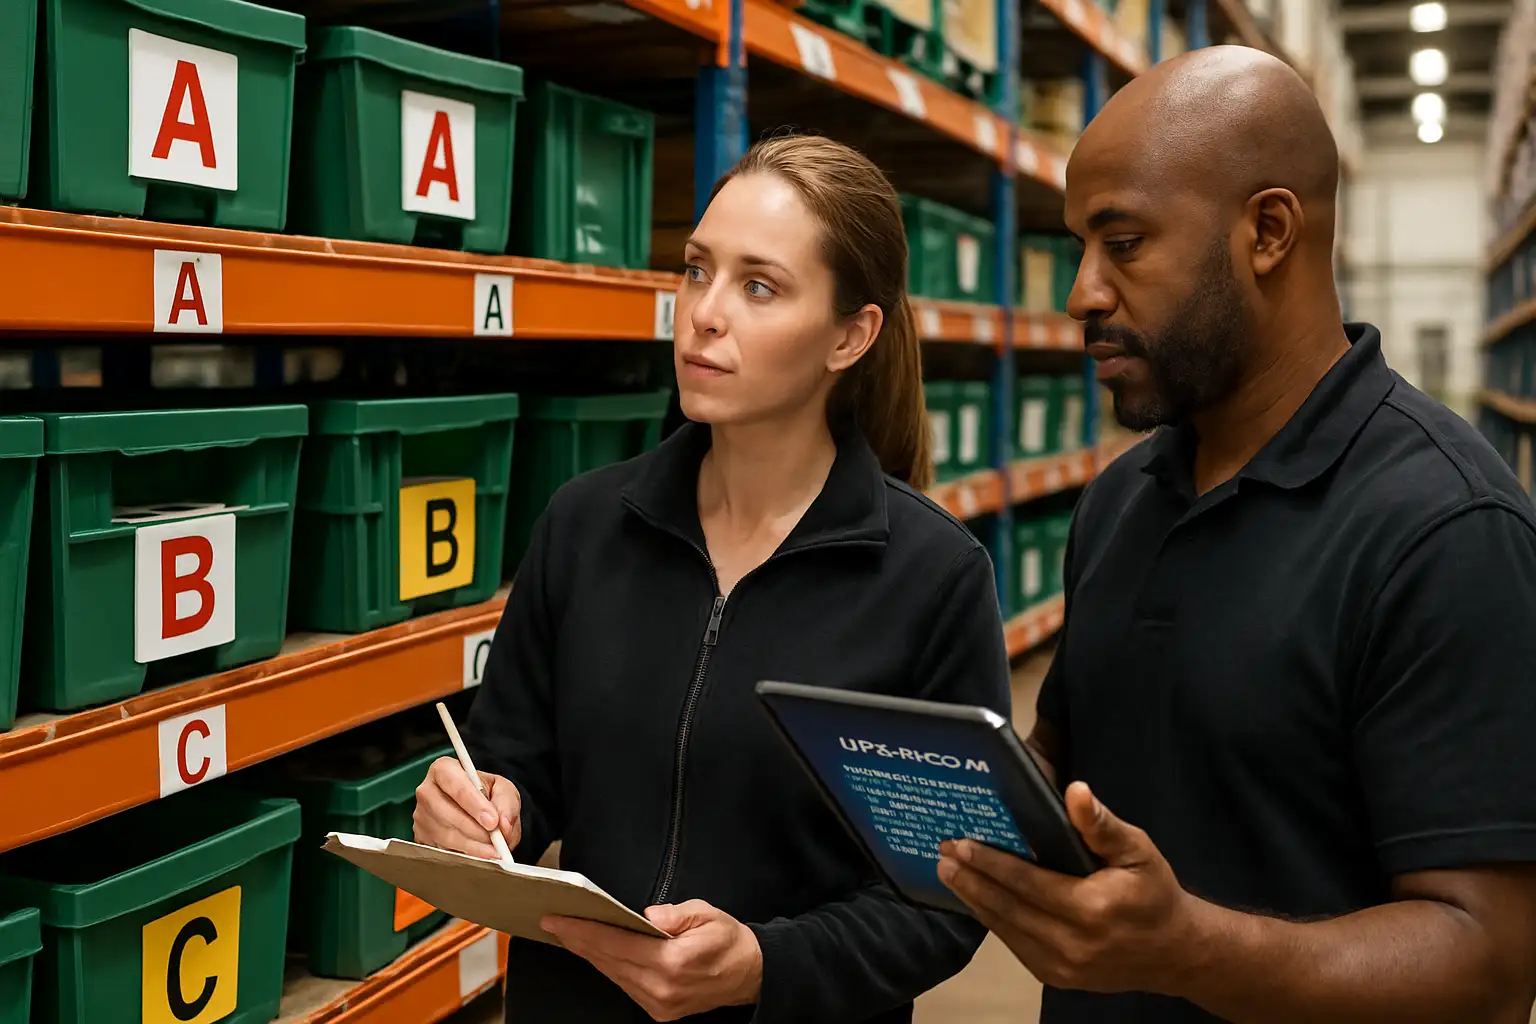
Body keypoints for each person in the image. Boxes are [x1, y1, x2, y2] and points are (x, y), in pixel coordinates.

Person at [936, 44, 1536, 1023]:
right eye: (1081, 246)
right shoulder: (1121, 498)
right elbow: (1071, 757)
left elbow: (1491, 962)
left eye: (1124, 242)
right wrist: (927, 778)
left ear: (1267, 232)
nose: (1082, 292)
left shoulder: (1446, 532)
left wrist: (1188, 950)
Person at [414, 134, 1010, 1023]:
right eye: (698, 271)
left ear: (851, 336)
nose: (704, 313)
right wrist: (485, 811)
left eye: (759, 286)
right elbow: (516, 764)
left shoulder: (932, 578)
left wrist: (767, 964)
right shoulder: (584, 525)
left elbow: (947, 895)